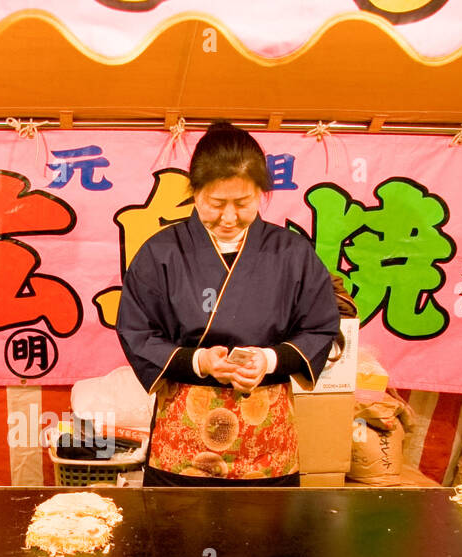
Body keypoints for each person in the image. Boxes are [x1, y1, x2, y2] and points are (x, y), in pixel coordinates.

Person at [117, 122, 341, 486]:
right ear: (195, 192)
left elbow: (320, 327)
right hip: (183, 443)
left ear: (262, 194)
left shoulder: (293, 253)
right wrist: (200, 361)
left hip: (267, 442)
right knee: (177, 534)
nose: (229, 217)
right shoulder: (161, 253)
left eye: (243, 203)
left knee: (267, 536)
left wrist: (267, 360)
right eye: (215, 203)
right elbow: (137, 331)